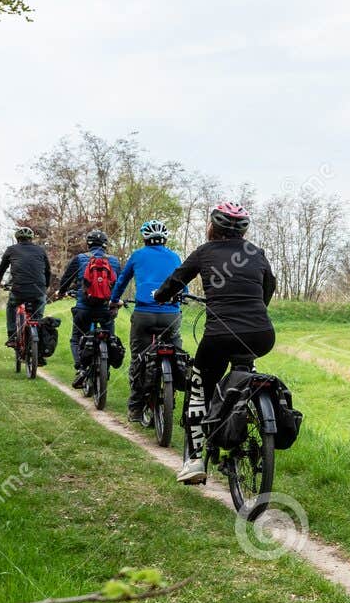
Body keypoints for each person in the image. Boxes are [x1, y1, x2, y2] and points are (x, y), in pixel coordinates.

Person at [153, 202, 276, 485]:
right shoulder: (256, 253)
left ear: (213, 226)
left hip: (220, 336)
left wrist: (160, 296)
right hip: (261, 335)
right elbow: (269, 287)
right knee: (244, 373)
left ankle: (195, 460)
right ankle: (238, 419)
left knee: (198, 387)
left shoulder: (204, 252)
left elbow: (176, 280)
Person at [111, 219, 185, 420]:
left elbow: (122, 281)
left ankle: (135, 408)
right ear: (164, 239)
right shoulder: (174, 257)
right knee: (176, 352)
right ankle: (174, 389)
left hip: (144, 314)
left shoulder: (137, 255)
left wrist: (114, 300)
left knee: (139, 358)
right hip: (170, 315)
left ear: (145, 238)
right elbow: (183, 285)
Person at [55, 229, 123, 389]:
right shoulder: (114, 261)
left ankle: (80, 369)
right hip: (106, 309)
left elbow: (66, 280)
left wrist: (61, 292)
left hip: (84, 308)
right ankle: (106, 368)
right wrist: (117, 301)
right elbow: (119, 283)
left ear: (88, 244)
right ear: (105, 245)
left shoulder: (80, 259)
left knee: (76, 338)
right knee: (110, 337)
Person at [0, 226, 51, 347]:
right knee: (38, 316)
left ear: (17, 239)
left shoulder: (11, 250)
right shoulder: (40, 250)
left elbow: (1, 269)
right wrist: (46, 286)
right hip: (39, 290)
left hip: (19, 290)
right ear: (31, 239)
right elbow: (48, 271)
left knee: (11, 306)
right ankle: (38, 337)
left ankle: (12, 336)